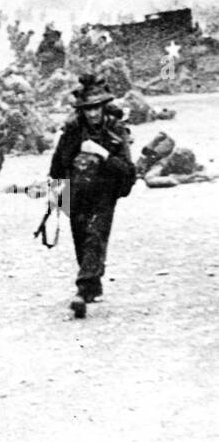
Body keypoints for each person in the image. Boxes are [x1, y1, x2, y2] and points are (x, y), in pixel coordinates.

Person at [48, 80, 136, 318]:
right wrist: (55, 192)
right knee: (81, 237)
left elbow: (128, 170)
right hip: (75, 192)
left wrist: (103, 153)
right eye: (88, 108)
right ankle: (93, 286)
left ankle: (82, 288)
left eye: (97, 107)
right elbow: (57, 164)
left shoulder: (116, 130)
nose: (93, 113)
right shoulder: (73, 130)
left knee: (95, 236)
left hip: (104, 192)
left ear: (105, 107)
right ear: (82, 110)